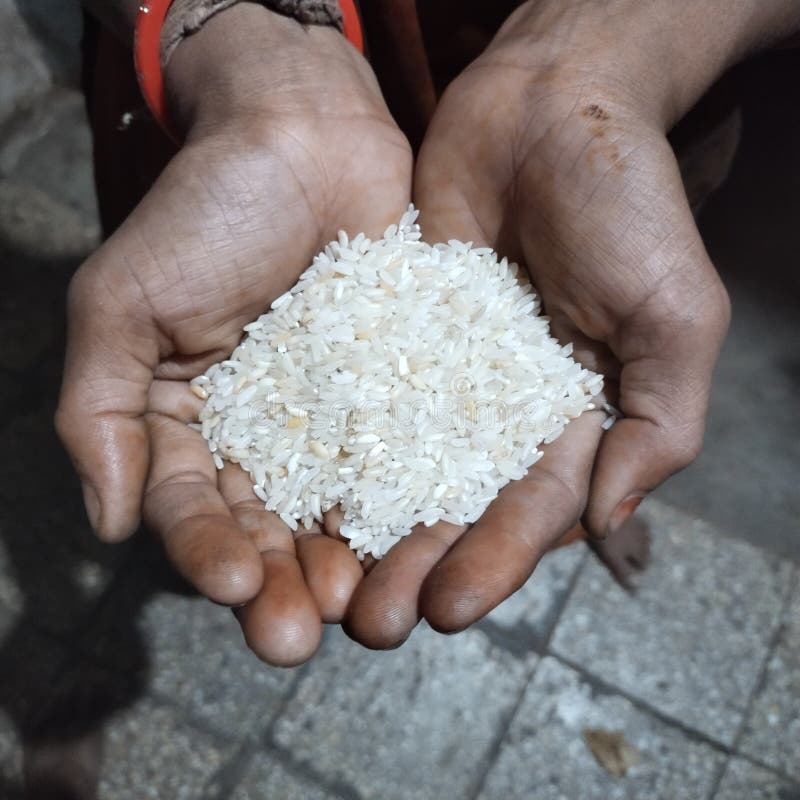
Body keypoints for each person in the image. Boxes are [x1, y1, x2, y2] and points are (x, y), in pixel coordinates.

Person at [58, 0, 798, 666]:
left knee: (606, 347)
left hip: (631, 94)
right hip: (241, 95)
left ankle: (601, 497)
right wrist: (239, 45)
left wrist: (604, 54)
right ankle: (97, 643)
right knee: (211, 523)